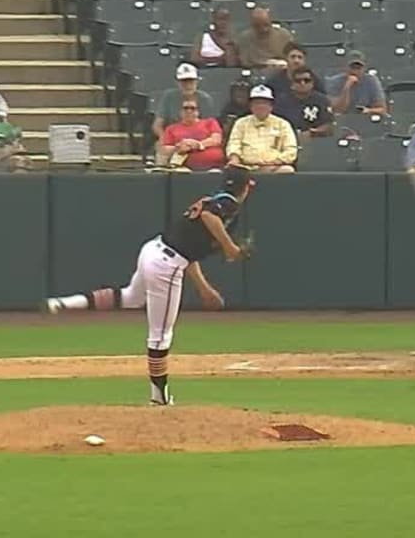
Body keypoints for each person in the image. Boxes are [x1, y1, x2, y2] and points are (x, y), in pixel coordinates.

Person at [44, 167, 256, 407]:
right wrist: (230, 247)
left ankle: (64, 303)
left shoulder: (216, 199)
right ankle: (159, 398)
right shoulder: (227, 204)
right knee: (160, 335)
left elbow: (189, 250)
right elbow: (208, 216)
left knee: (131, 297)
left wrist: (204, 288)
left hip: (154, 251)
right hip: (166, 265)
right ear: (248, 186)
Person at [224, 84, 298, 173]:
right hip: (245, 168)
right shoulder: (241, 123)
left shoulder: (282, 124)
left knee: (287, 170)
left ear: (271, 106)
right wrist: (234, 159)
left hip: (274, 167)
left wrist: (274, 162)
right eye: (257, 103)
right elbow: (234, 144)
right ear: (250, 106)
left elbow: (291, 151)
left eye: (264, 103)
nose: (260, 106)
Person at [158, 94, 224, 171]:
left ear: (198, 111)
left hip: (213, 167)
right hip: (182, 168)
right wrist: (179, 147)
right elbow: (165, 149)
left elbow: (216, 140)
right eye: (185, 108)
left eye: (193, 108)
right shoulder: (171, 128)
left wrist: (197, 144)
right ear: (180, 111)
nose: (189, 111)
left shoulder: (210, 122)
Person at [153, 63, 215, 140]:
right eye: (184, 81)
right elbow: (158, 125)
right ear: (177, 82)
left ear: (197, 81)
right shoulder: (168, 96)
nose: (188, 85)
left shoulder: (205, 99)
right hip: (172, 138)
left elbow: (210, 127)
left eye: (191, 81)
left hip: (197, 139)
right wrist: (165, 139)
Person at [272, 66, 333, 138]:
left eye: (306, 80)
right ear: (292, 84)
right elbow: (274, 123)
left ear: (312, 83)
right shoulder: (280, 101)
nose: (302, 83)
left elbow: (329, 125)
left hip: (316, 140)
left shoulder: (322, 100)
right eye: (298, 81)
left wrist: (312, 132)